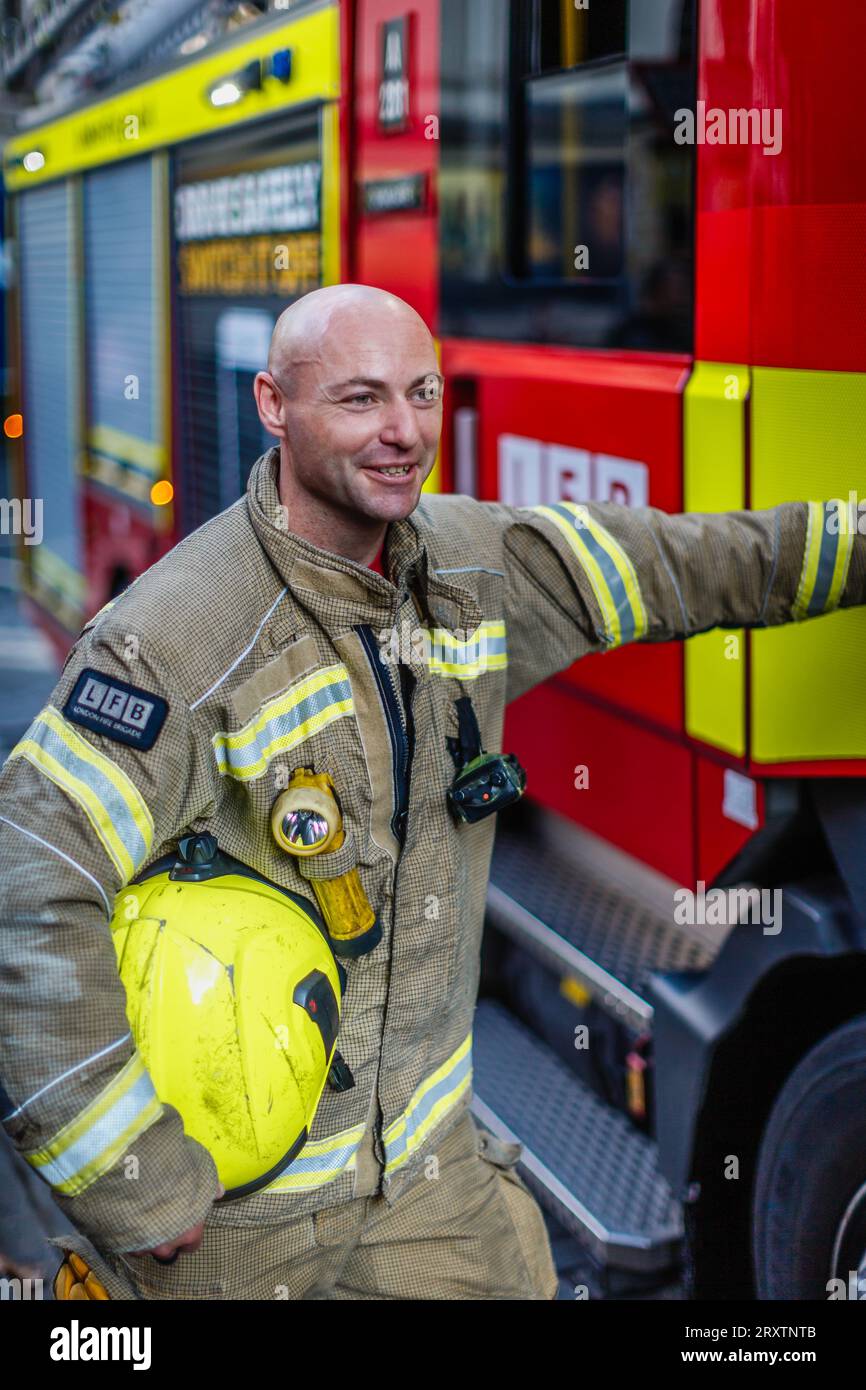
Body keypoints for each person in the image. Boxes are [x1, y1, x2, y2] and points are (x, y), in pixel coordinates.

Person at [0, 283, 863, 1300]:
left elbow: (692, 565)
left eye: (420, 394)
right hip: (235, 1222)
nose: (403, 431)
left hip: (425, 1191)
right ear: (274, 405)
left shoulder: (469, 566)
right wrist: (139, 1183)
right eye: (361, 400)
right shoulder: (177, 640)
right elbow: (30, 888)